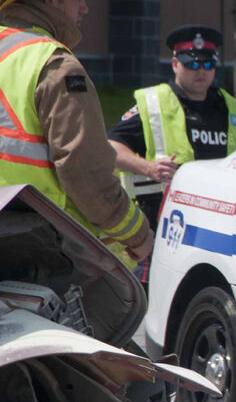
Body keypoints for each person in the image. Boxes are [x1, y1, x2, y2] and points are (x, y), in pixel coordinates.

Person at [0, 0, 152, 262]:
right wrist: (139, 235)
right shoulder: (54, 65)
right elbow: (86, 175)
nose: (85, 8)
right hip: (32, 251)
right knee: (118, 303)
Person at [108, 24, 236, 227]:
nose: (201, 71)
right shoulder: (154, 103)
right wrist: (147, 167)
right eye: (192, 64)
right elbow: (110, 148)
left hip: (219, 224)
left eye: (208, 64)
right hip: (163, 223)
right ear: (175, 64)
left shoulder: (234, 110)